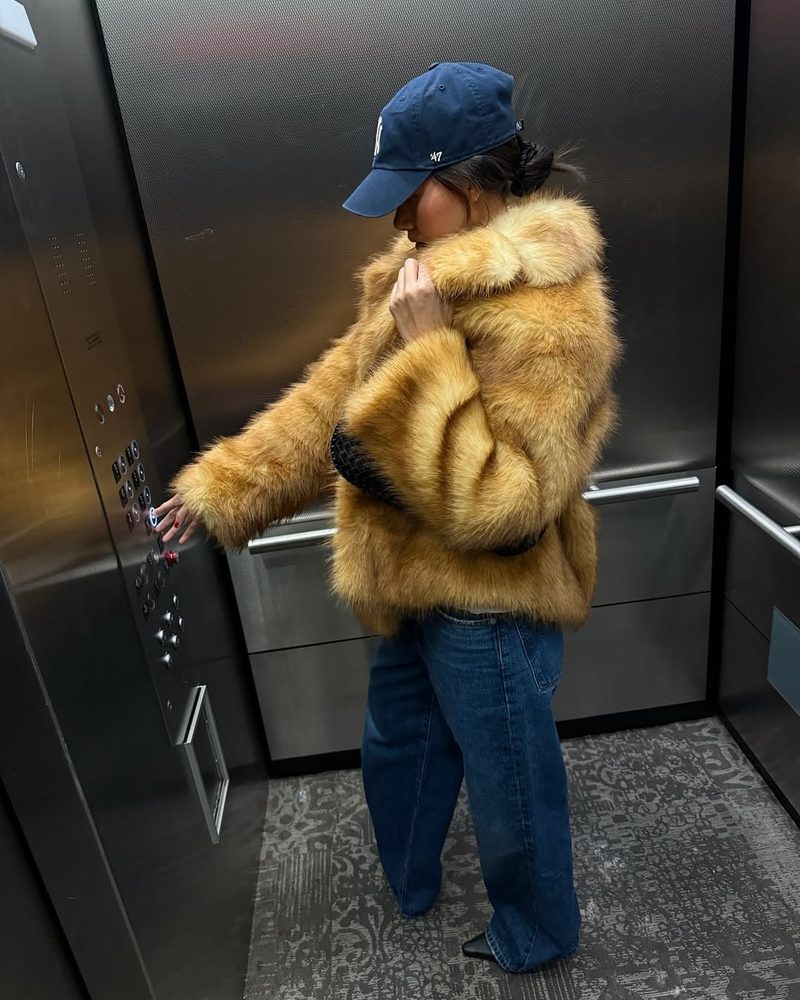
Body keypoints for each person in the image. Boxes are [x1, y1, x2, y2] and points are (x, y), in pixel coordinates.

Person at [154, 61, 621, 973]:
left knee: (512, 786)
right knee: (397, 745)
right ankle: (410, 883)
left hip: (491, 601)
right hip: (407, 575)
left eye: (413, 191)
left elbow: (508, 507)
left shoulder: (553, 316)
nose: (399, 216)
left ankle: (537, 933)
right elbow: (331, 399)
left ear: (473, 183)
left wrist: (432, 355)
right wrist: (225, 487)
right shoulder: (418, 276)